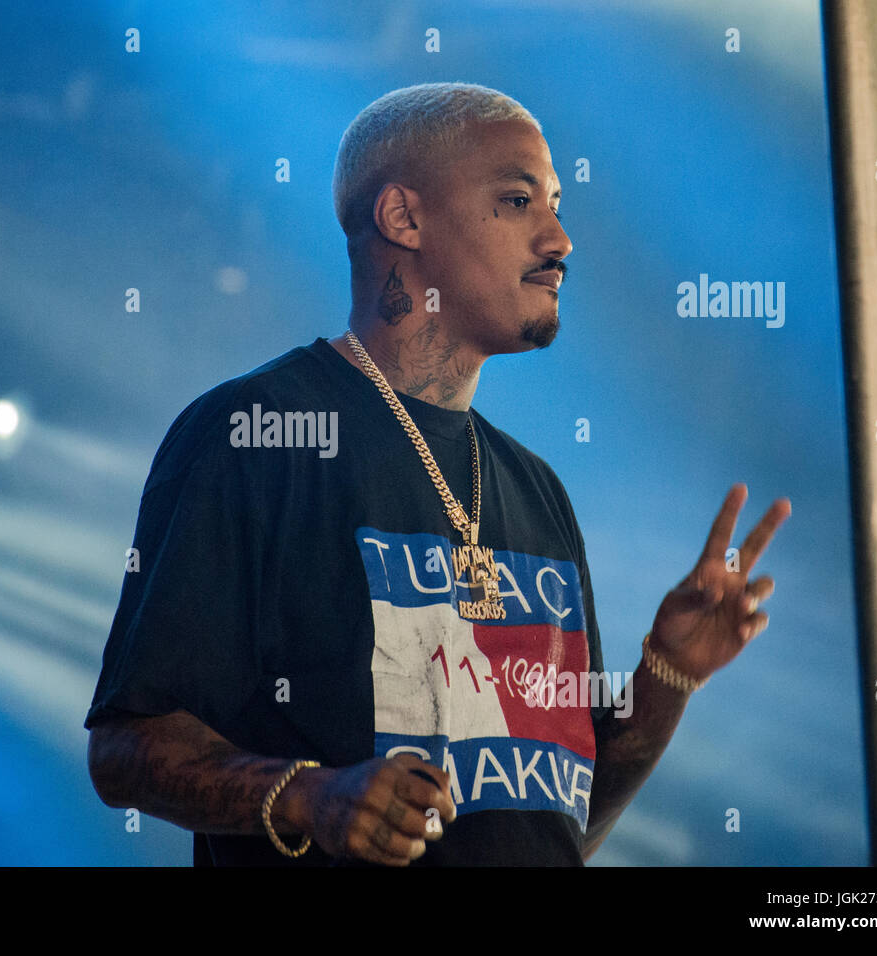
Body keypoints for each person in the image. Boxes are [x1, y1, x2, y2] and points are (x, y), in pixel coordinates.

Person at [85, 82, 790, 866]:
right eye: (519, 201)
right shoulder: (254, 437)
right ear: (403, 218)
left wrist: (667, 676)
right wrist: (312, 797)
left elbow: (550, 825)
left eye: (556, 204)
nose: (560, 239)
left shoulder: (538, 490)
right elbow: (125, 745)